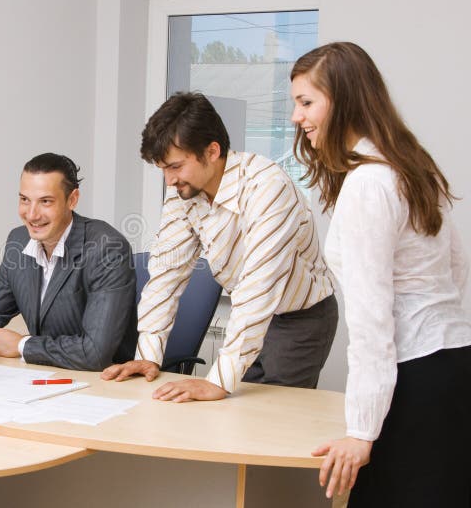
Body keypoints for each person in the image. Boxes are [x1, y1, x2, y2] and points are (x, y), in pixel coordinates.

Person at [289, 42, 471, 505]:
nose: (296, 117)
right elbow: (457, 270)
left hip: (412, 379)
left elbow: (372, 317)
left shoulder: (369, 183)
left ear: (344, 100)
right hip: (452, 364)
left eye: (306, 102)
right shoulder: (411, 168)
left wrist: (362, 430)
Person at [102, 92, 338, 402]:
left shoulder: (266, 187)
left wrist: (218, 381)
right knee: (234, 417)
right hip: (251, 313)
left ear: (212, 151)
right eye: (162, 169)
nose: (168, 180)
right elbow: (165, 276)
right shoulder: (184, 195)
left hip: (298, 320)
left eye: (175, 166)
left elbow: (259, 287)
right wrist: (149, 355)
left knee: (275, 421)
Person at [0, 153, 137, 371]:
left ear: (72, 199)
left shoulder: (107, 248)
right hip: (45, 376)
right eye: (24, 199)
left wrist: (22, 345)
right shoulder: (19, 241)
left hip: (106, 384)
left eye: (45, 201)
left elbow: (95, 353)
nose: (31, 215)